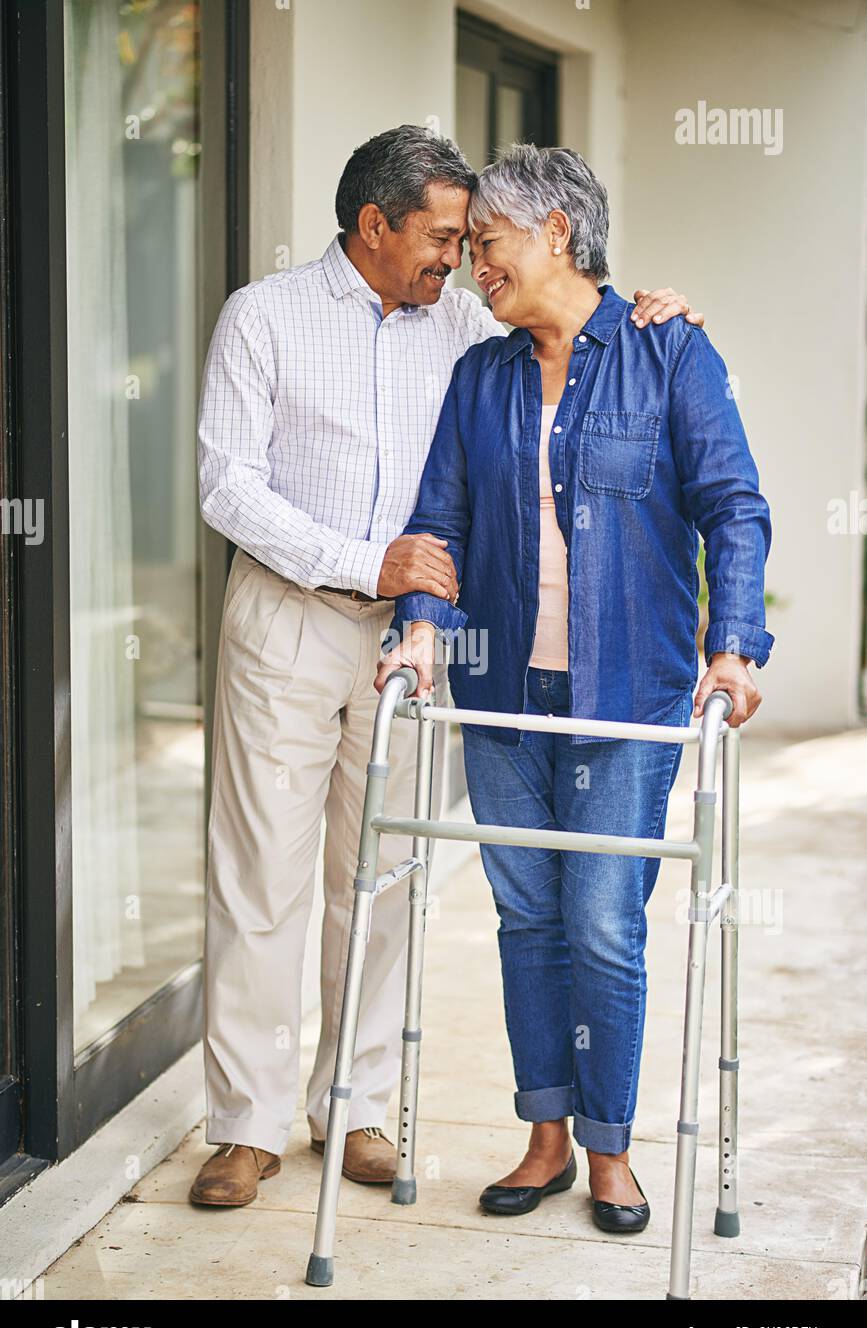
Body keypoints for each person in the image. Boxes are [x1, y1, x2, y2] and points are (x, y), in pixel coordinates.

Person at [192, 123, 701, 1207]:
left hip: (413, 641)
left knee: (378, 879)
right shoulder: (265, 318)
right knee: (260, 885)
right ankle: (244, 1124)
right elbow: (226, 488)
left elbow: (563, 314)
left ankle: (360, 1105)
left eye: (473, 239)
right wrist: (359, 558)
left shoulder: (462, 322)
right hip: (290, 619)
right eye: (441, 235)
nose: (461, 256)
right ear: (373, 227)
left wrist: (651, 310)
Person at [376, 142, 773, 1232]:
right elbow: (440, 524)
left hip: (625, 698)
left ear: (556, 232)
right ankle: (544, 1134)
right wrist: (420, 632)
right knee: (525, 917)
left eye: (488, 245)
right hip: (504, 692)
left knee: (603, 923)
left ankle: (610, 1146)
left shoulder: (668, 353)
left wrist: (733, 645)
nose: (474, 269)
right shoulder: (481, 374)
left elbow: (734, 504)